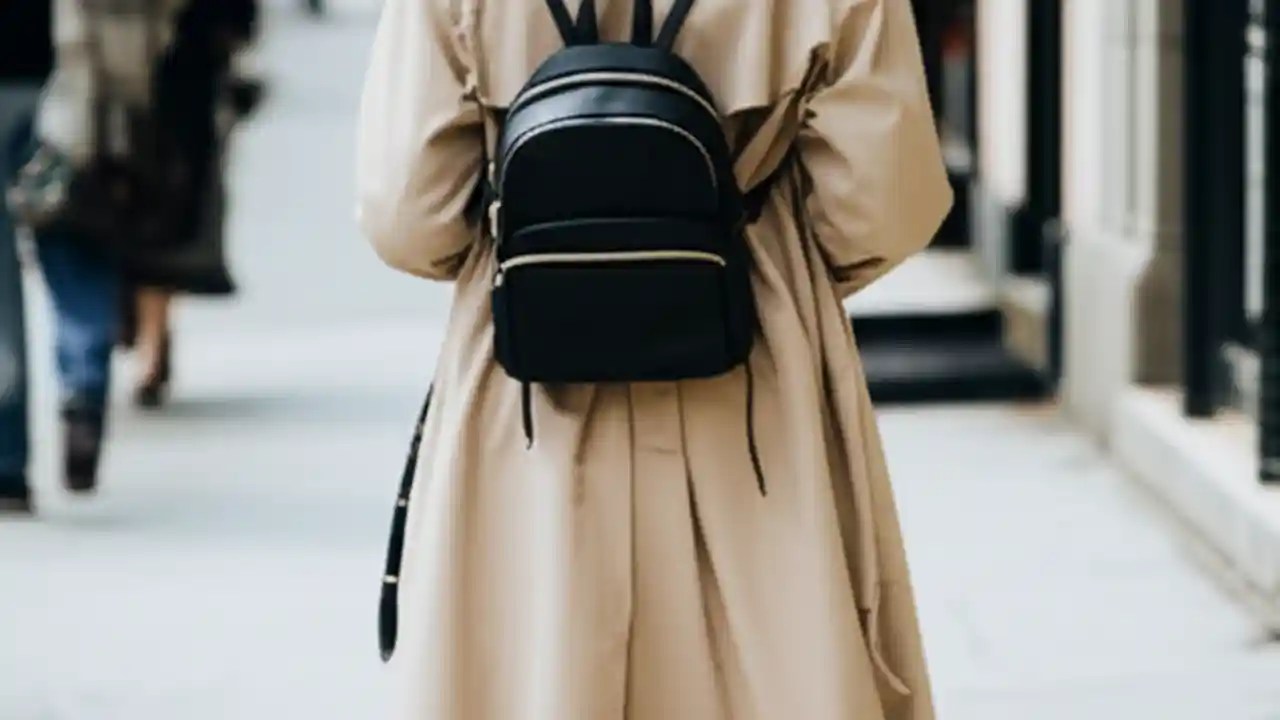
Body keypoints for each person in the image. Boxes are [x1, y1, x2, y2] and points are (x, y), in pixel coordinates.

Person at [357, 0, 952, 718]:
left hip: (530, 380)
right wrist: (763, 251)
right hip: (752, 364)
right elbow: (884, 205)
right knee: (778, 667)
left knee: (534, 667)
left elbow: (409, 217)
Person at [1, 0, 120, 512]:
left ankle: (6, 456)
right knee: (75, 233)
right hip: (69, 72)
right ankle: (84, 381)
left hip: (45, 72)